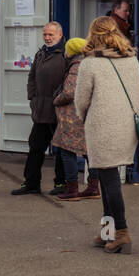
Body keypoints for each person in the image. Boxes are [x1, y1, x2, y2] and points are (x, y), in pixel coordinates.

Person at [75, 18, 139, 253]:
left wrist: (85, 117)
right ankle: (107, 232)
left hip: (102, 126)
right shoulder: (132, 59)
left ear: (93, 34)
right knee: (106, 178)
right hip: (127, 125)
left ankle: (122, 232)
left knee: (110, 180)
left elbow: (81, 101)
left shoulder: (90, 64)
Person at [12, 22, 72, 196]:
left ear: (60, 35)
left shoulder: (66, 56)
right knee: (35, 147)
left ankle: (61, 184)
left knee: (62, 150)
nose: (47, 37)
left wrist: (60, 100)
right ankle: (31, 183)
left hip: (59, 111)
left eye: (50, 35)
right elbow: (31, 77)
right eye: (45, 34)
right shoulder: (40, 54)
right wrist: (33, 97)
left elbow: (71, 82)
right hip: (41, 110)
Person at [51, 37, 99, 202]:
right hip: (85, 114)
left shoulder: (76, 66)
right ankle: (93, 187)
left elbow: (70, 92)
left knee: (67, 150)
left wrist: (56, 100)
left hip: (72, 116)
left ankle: (72, 189)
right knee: (88, 151)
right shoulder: (90, 63)